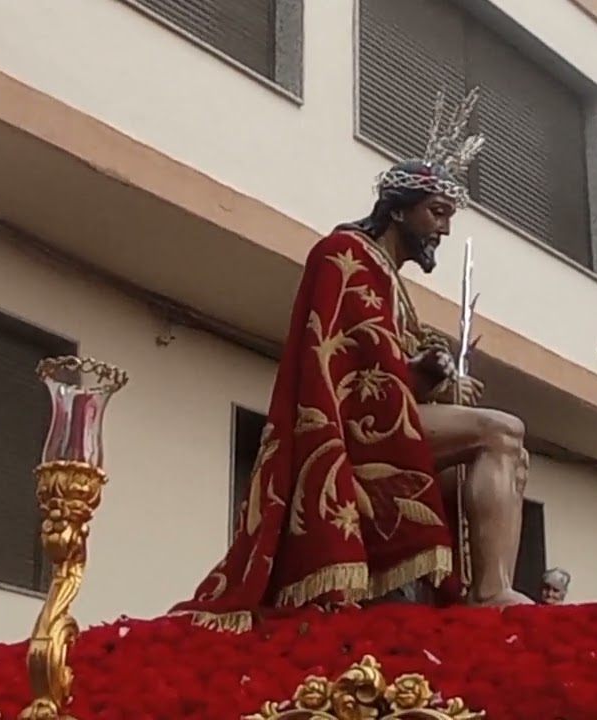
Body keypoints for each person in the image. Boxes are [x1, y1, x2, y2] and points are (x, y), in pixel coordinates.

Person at [170, 88, 532, 633]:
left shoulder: (394, 286)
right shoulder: (344, 255)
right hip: (350, 434)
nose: (445, 228)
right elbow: (346, 369)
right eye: (436, 212)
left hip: (389, 424)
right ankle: (490, 592)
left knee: (512, 462)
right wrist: (422, 376)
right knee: (502, 432)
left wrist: (437, 386)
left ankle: (478, 588)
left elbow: (388, 374)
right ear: (398, 207)